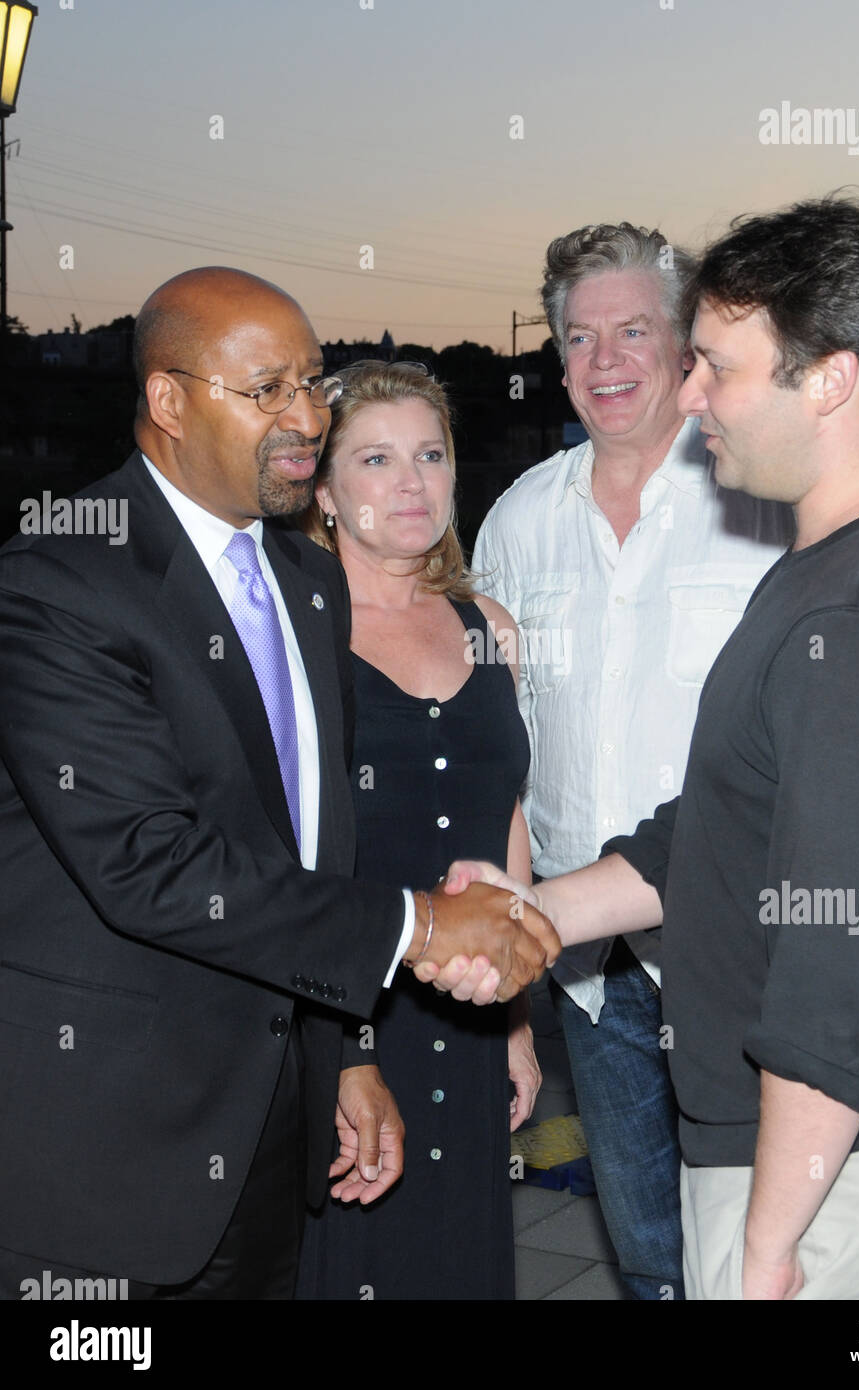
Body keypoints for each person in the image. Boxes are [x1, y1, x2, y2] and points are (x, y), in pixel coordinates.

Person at [442, 196, 859, 1300]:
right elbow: (718, 824)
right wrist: (544, 913)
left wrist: (767, 1250)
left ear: (830, 378)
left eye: (714, 363)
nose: (690, 390)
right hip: (855, 1155)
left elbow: (837, 973)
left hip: (850, 1184)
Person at [0, 268, 558, 1301]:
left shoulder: (301, 582)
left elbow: (310, 843)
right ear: (169, 402)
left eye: (310, 383)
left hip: (274, 1134)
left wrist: (343, 1051)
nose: (304, 417)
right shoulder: (61, 579)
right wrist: (425, 928)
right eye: (267, 390)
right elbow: (148, 864)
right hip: (112, 1146)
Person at [473, 222, 792, 1298]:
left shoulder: (763, 499)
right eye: (579, 336)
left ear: (685, 347)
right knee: (650, 1249)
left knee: (766, 1243)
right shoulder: (518, 523)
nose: (604, 360)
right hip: (587, 972)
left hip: (740, 952)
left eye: (633, 331)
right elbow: (493, 746)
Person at [293, 361, 539, 1300]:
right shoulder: (295, 631)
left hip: (471, 1015)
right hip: (347, 1010)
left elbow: (506, 819)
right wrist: (342, 1044)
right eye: (376, 458)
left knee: (458, 1260)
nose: (411, 482)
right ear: (322, 488)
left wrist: (516, 1021)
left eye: (430, 454)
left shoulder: (491, 627)